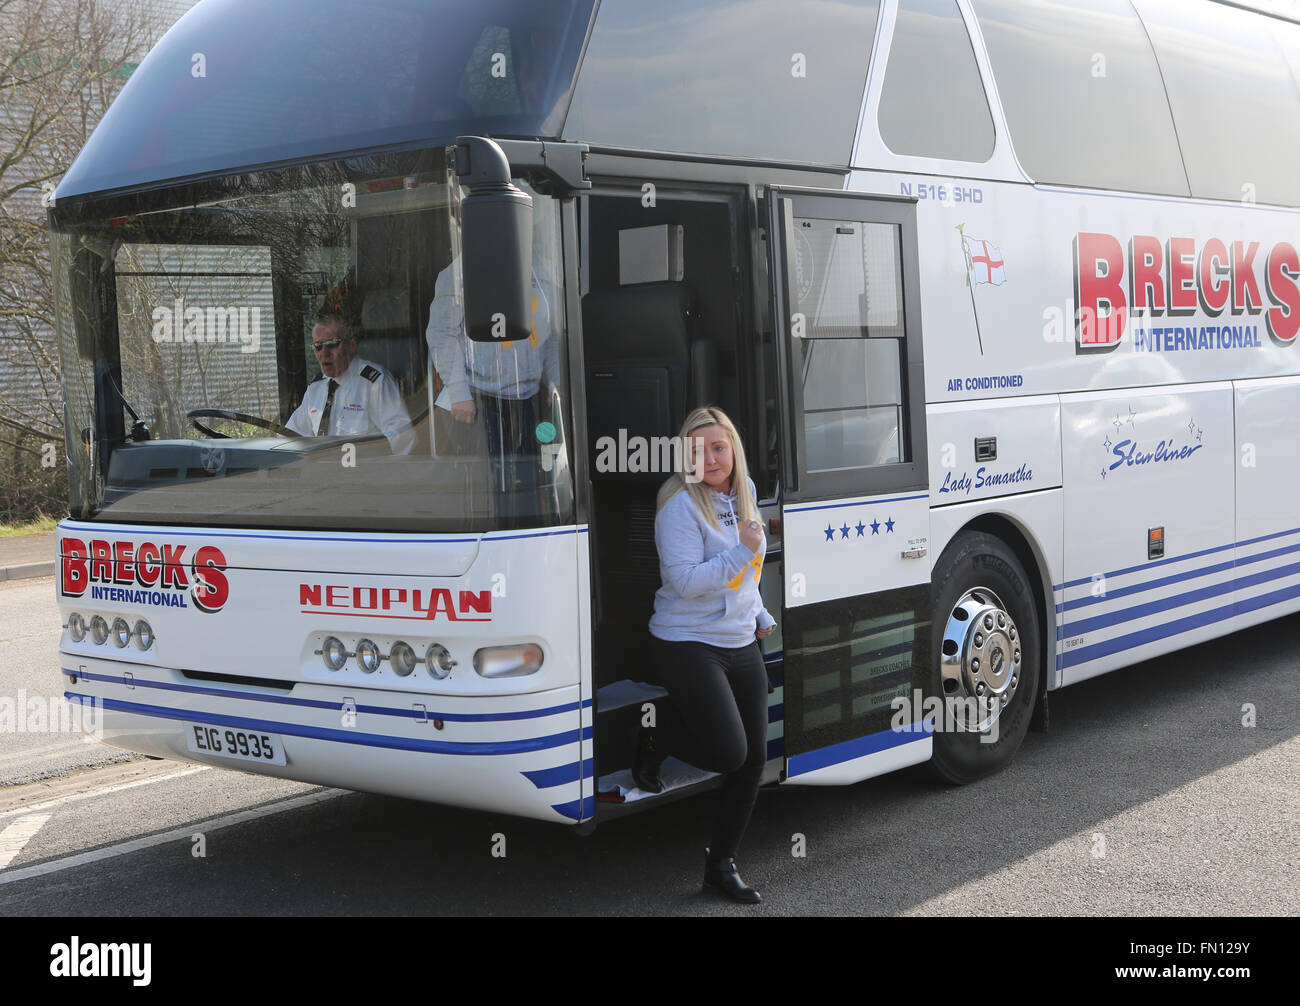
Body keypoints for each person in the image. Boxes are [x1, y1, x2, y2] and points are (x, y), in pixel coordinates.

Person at [633, 406, 776, 904]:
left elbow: (749, 568)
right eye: (698, 450)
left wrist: (758, 613)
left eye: (719, 447)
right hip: (686, 639)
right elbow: (684, 582)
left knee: (754, 757)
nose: (711, 458)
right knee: (727, 752)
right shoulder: (679, 506)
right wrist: (741, 552)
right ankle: (654, 738)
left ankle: (721, 865)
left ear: (733, 448)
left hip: (738, 636)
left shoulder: (746, 492)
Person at [425, 249, 561, 517]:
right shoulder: (458, 273)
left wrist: (555, 381)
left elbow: (552, 335)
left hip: (528, 399)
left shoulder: (544, 270)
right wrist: (459, 392)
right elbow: (442, 334)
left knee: (530, 487)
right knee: (486, 497)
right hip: (474, 403)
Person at [287, 315, 415, 455]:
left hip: (363, 472)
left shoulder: (374, 383)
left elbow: (403, 437)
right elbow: (292, 435)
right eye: (318, 346)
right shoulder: (315, 388)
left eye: (332, 344)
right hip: (322, 472)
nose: (324, 353)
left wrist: (365, 458)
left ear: (352, 346)